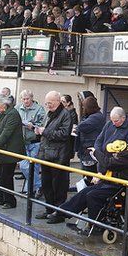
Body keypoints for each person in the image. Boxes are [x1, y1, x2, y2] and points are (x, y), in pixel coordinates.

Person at [35, 91, 73, 222]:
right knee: (46, 184)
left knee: (58, 186)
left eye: (50, 103)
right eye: (46, 103)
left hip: (59, 156)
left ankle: (59, 213)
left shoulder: (66, 115)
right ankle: (49, 209)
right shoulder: (49, 114)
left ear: (58, 101)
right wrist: (39, 130)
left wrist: (44, 131)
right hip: (46, 153)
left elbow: (64, 134)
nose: (47, 105)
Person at [0, 95, 24, 209]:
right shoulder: (3, 114)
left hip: (9, 150)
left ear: (4, 104)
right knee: (1, 176)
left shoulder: (12, 114)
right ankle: (2, 199)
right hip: (1, 151)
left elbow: (6, 133)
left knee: (7, 177)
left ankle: (10, 201)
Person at [17, 90, 46, 197]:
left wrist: (33, 125)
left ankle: (30, 190)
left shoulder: (39, 109)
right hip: (23, 141)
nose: (25, 101)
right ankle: (39, 185)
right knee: (24, 166)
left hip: (35, 141)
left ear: (32, 98)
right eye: (23, 99)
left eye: (27, 99)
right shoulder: (18, 108)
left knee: (34, 166)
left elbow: (42, 124)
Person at [74, 96, 105, 172]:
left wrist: (75, 128)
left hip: (90, 152)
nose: (83, 109)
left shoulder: (96, 117)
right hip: (87, 151)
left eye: (84, 107)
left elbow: (81, 126)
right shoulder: (93, 116)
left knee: (88, 178)